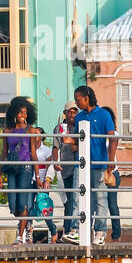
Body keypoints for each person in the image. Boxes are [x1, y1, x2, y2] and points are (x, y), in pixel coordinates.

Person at [73, 85, 118, 246]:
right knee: (77, 197)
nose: (77, 103)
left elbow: (113, 139)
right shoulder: (79, 117)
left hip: (99, 162)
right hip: (82, 163)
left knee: (100, 199)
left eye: (78, 100)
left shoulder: (104, 114)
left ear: (87, 98)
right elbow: (76, 139)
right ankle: (76, 230)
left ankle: (100, 232)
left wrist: (110, 161)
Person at [0, 96, 39, 245]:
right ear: (14, 113)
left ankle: (20, 236)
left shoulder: (31, 130)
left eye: (25, 113)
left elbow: (33, 152)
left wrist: (38, 175)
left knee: (22, 204)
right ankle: (25, 223)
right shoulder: (7, 130)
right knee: (13, 205)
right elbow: (3, 153)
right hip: (12, 168)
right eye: (20, 113)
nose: (23, 116)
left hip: (26, 168)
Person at [52, 101, 79, 242]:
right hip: (66, 168)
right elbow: (55, 147)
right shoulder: (59, 128)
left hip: (80, 168)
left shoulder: (81, 126)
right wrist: (55, 162)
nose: (72, 114)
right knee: (69, 201)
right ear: (65, 113)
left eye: (75, 112)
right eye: (70, 112)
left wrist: (75, 145)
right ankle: (67, 231)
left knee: (76, 200)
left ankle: (70, 230)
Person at [101, 106, 122, 242]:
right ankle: (100, 232)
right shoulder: (99, 132)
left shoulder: (112, 133)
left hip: (111, 172)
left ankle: (116, 235)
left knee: (111, 204)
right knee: (100, 203)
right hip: (101, 171)